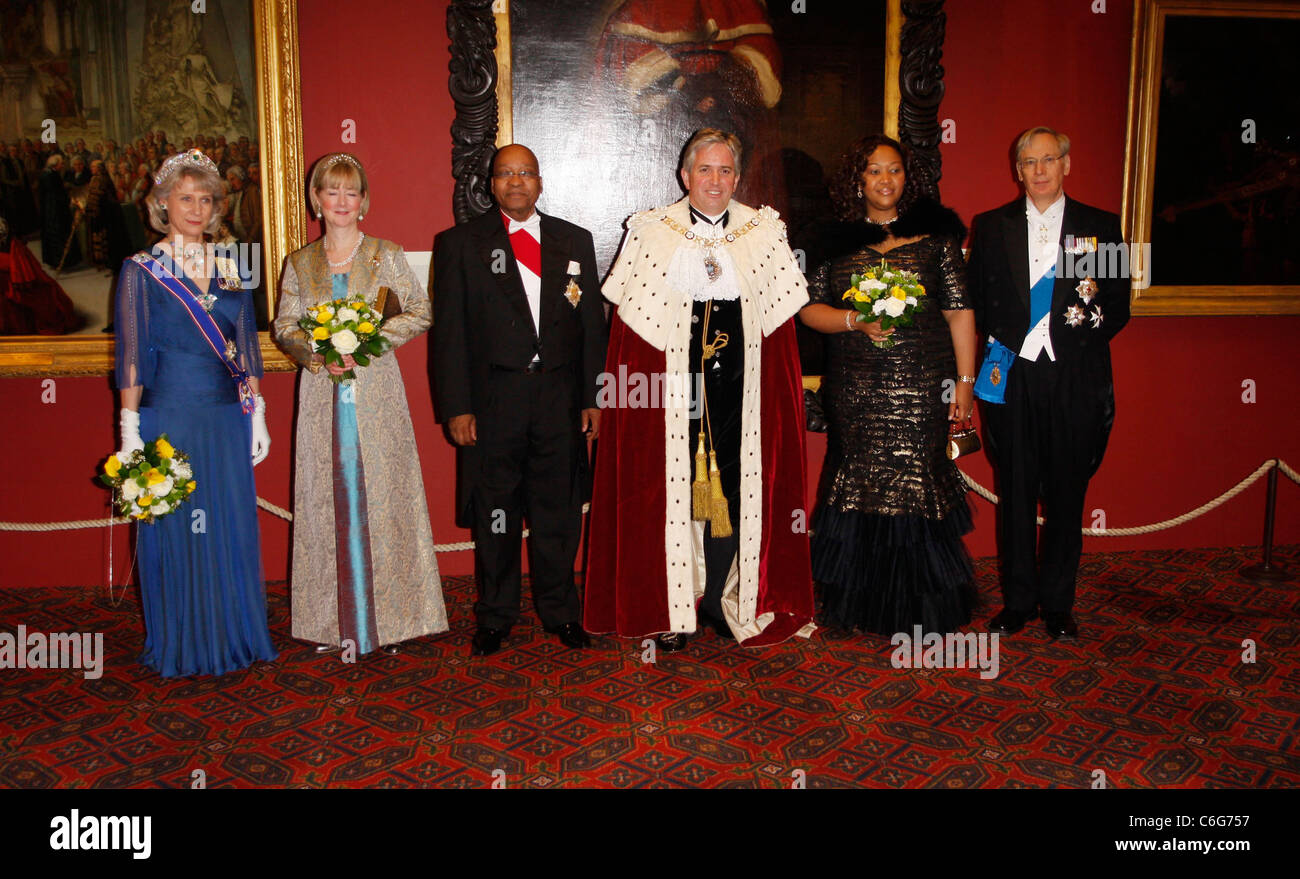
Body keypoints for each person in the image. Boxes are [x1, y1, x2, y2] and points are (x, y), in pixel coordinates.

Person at [584, 128, 814, 651]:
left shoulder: (764, 232)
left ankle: (726, 602)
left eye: (725, 170)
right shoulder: (652, 232)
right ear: (685, 176)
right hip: (670, 398)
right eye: (704, 170)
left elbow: (779, 337)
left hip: (742, 393)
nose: (715, 180)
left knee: (735, 492)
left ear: (737, 177)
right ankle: (674, 607)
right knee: (672, 495)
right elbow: (630, 338)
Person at [799, 134, 978, 636]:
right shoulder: (830, 239)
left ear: (907, 177)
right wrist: (855, 321)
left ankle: (919, 609)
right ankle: (859, 606)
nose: (885, 180)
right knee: (858, 488)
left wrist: (963, 384)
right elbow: (808, 309)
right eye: (874, 170)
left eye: (894, 169)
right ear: (858, 180)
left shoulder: (937, 236)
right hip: (857, 391)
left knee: (916, 487)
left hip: (923, 387)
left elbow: (960, 313)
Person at [432, 144, 606, 657]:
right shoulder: (460, 244)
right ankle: (496, 615)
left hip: (559, 400)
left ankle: (561, 612)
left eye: (525, 172)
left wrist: (593, 395)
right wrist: (457, 407)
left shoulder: (574, 241)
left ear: (540, 181)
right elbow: (450, 336)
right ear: (491, 184)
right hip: (492, 404)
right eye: (505, 174)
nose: (515, 182)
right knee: (497, 515)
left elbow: (591, 326)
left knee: (558, 514)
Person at [273, 153, 447, 657]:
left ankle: (392, 621)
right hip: (321, 393)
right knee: (328, 495)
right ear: (317, 200)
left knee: (383, 494)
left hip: (376, 392)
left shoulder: (385, 254)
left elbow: (420, 310)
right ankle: (331, 623)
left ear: (364, 201)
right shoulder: (300, 263)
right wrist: (316, 350)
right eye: (332, 191)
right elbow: (285, 325)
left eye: (351, 192)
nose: (342, 201)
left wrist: (366, 338)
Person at [112, 149, 277, 676]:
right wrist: (130, 430)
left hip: (226, 418)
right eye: (185, 198)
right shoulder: (141, 271)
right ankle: (185, 643)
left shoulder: (233, 266)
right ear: (162, 204)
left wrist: (258, 415)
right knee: (180, 529)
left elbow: (246, 347)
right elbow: (133, 354)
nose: (196, 208)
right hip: (171, 419)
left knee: (228, 527)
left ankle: (236, 636)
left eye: (206, 199)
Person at [967, 126, 1131, 639]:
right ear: (1017, 170)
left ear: (1066, 164)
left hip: (1073, 379)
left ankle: (1059, 604)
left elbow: (1118, 306)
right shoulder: (991, 227)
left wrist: (1066, 342)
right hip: (1012, 377)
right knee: (1014, 491)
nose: (1038, 171)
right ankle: (1017, 602)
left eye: (1048, 160)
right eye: (1029, 162)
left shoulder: (1099, 227)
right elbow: (976, 302)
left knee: (1066, 494)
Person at [38, 155, 79, 269]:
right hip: (55, 211)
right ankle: (61, 262)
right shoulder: (51, 175)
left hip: (51, 209)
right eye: (61, 163)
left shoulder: (48, 174)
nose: (62, 166)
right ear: (55, 164)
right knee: (59, 234)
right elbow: (56, 194)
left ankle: (58, 262)